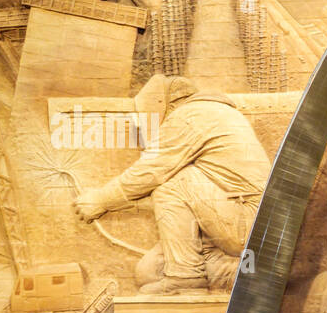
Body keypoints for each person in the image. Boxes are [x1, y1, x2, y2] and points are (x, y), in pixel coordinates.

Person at [73, 75, 270, 293]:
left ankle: (185, 278)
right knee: (148, 271)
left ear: (165, 104)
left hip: (247, 221)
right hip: (243, 220)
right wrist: (120, 203)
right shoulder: (219, 113)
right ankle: (230, 274)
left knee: (171, 182)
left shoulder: (190, 115)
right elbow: (180, 200)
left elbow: (150, 172)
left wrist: (101, 199)